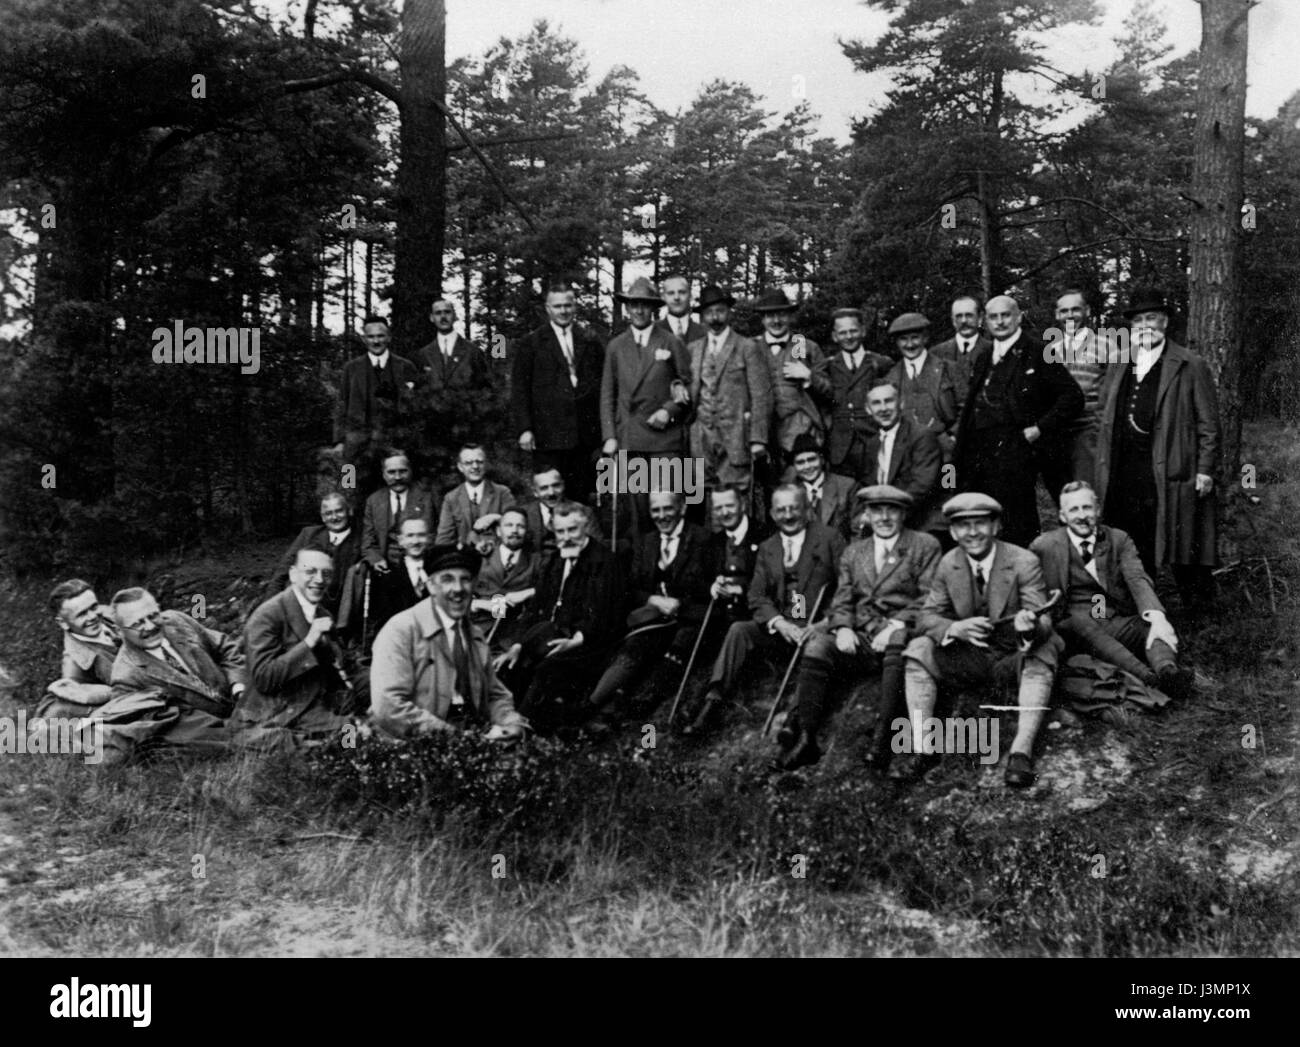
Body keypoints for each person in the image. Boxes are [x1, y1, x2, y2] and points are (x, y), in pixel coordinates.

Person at [898, 493, 1064, 789]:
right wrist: (955, 628)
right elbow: (926, 617)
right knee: (917, 650)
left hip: (1012, 657)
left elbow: (1045, 621)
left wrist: (1029, 627)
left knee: (1046, 648)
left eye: (980, 524)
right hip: (970, 657)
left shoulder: (1023, 561)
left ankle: (1021, 753)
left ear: (996, 526)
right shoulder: (949, 563)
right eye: (963, 526)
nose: (972, 533)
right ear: (952, 532)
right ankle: (923, 748)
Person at [782, 485, 942, 771]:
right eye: (876, 510)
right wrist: (842, 627)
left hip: (901, 635)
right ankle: (806, 738)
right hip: (862, 637)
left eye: (891, 510)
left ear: (903, 513)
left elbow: (930, 598)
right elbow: (842, 600)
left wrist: (895, 623)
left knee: (897, 636)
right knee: (818, 644)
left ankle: (882, 739)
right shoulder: (854, 552)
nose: (883, 517)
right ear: (866, 514)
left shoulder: (924, 545)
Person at [1094, 288, 1219, 609]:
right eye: (1138, 320)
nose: (1145, 325)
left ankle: (1199, 609)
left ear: (1164, 322)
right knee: (1130, 536)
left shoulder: (1190, 364)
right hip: (1124, 467)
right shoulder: (1120, 361)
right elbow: (1103, 410)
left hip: (1171, 465)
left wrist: (1205, 470)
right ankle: (1139, 601)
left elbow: (1208, 423)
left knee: (1184, 538)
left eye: (1151, 318)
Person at [686, 485, 844, 737]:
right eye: (781, 510)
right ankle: (712, 702)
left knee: (816, 651)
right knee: (740, 630)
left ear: (807, 509)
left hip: (816, 627)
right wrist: (780, 623)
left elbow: (847, 589)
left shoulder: (829, 539)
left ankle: (794, 720)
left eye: (794, 508)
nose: (788, 515)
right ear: (772, 514)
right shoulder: (768, 546)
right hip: (784, 627)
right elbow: (756, 596)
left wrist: (825, 623)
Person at [1030, 482, 1193, 697]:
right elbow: (1030, 588)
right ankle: (1149, 679)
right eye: (1074, 509)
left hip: (1111, 619)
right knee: (1078, 623)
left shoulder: (1118, 539)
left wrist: (1156, 617)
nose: (1081, 515)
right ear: (1062, 516)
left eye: (1087, 508)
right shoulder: (1044, 546)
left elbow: (1137, 578)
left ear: (1097, 510)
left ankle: (1168, 671)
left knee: (1150, 625)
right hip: (1072, 629)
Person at [953, 294, 1083, 548]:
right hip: (983, 449)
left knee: (1018, 522)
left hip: (1019, 450)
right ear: (985, 321)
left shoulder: (1039, 351)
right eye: (994, 317)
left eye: (1006, 315)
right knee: (982, 517)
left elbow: (1072, 397)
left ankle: (1025, 576)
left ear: (1019, 317)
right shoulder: (984, 356)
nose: (1000, 322)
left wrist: (1039, 428)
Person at [369, 545, 528, 741]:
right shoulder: (401, 630)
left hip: (470, 737)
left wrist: (510, 723)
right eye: (447, 580)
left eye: (465, 579)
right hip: (412, 744)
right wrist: (454, 736)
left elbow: (495, 695)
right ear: (430, 586)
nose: (458, 589)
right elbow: (389, 706)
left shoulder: (475, 636)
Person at [583, 491, 713, 729]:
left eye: (668, 509)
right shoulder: (646, 542)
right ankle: (593, 707)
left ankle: (643, 704)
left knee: (678, 646)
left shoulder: (703, 539)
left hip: (690, 619)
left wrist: (679, 604)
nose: (662, 516)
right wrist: (654, 599)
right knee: (636, 646)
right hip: (654, 619)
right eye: (656, 510)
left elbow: (709, 591)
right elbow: (632, 589)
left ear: (682, 508)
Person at [496, 502, 624, 729]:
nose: (566, 537)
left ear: (585, 528)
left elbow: (605, 616)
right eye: (560, 532)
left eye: (572, 530)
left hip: (588, 643)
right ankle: (501, 719)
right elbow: (535, 608)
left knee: (549, 668)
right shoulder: (554, 560)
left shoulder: (604, 562)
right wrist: (517, 644)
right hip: (549, 635)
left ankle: (522, 727)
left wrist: (575, 640)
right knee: (509, 663)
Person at [600, 277, 693, 536]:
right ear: (627, 309)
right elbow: (607, 395)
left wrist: (669, 410)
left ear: (653, 308)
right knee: (636, 516)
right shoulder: (616, 346)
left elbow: (689, 386)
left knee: (671, 508)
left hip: (665, 443)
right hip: (630, 442)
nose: (639, 310)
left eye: (644, 305)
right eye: (634, 305)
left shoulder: (671, 342)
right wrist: (609, 436)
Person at [234, 548, 358, 737]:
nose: (319, 580)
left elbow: (338, 667)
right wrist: (309, 642)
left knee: (374, 713)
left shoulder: (322, 614)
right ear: (293, 574)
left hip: (314, 699)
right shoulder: (267, 616)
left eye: (326, 573)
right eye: (310, 572)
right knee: (352, 731)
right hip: (276, 712)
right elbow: (264, 679)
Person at [511, 281, 606, 502]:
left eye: (568, 305)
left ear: (575, 306)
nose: (563, 311)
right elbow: (519, 389)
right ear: (547, 309)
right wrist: (525, 428)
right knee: (550, 493)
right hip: (548, 435)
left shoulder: (590, 340)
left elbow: (602, 385)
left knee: (581, 495)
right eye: (557, 306)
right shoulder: (531, 343)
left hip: (584, 437)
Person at [686, 285, 772, 512]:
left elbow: (761, 395)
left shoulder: (747, 347)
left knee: (736, 500)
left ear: (729, 313)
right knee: (705, 500)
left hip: (736, 437)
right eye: (709, 312)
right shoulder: (693, 349)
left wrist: (758, 439)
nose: (715, 317)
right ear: (702, 316)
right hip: (702, 437)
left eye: (720, 310)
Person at [108, 587, 247, 721]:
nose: (150, 626)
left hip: (245, 705)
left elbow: (225, 647)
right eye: (138, 624)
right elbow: (150, 726)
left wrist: (238, 685)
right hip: (211, 736)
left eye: (153, 616)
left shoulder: (177, 620)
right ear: (119, 631)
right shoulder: (125, 678)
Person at [332, 315, 420, 495]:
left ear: (389, 337)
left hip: (393, 444)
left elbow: (414, 408)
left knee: (395, 490)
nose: (376, 341)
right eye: (371, 337)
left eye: (380, 336)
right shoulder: (351, 368)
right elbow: (342, 404)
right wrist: (339, 440)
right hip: (355, 446)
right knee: (349, 490)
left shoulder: (405, 367)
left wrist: (407, 441)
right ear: (364, 339)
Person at [755, 289, 832, 478]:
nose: (776, 321)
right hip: (763, 429)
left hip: (799, 429)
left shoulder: (802, 345)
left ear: (790, 316)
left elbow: (829, 392)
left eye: (781, 314)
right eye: (770, 316)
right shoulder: (751, 347)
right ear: (762, 319)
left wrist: (809, 377)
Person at [415, 299, 492, 478]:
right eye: (438, 313)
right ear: (431, 318)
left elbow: (486, 391)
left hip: (466, 429)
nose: (443, 316)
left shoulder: (472, 352)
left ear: (455, 316)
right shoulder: (423, 355)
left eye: (447, 312)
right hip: (434, 432)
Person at [1044, 287, 1110, 489]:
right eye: (1064, 311)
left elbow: (1112, 394)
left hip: (1090, 433)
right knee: (1063, 493)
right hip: (1058, 434)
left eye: (1076, 309)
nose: (1070, 316)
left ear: (1087, 311)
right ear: (1057, 315)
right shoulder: (1049, 351)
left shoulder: (1107, 346)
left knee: (1087, 491)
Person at [859, 380, 944, 537]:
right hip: (885, 522)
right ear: (868, 409)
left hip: (918, 522)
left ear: (902, 403)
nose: (883, 408)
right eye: (876, 403)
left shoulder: (921, 436)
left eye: (889, 401)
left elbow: (921, 487)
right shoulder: (872, 443)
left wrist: (888, 516)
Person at [825, 307, 892, 482]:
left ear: (862, 331)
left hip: (873, 443)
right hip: (840, 449)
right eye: (843, 332)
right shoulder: (828, 367)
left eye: (853, 331)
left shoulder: (881, 363)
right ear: (834, 336)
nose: (848, 336)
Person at [271, 492, 360, 616]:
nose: (334, 517)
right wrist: (271, 608)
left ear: (349, 511)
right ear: (322, 517)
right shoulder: (308, 534)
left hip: (343, 610)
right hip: (305, 606)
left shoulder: (361, 540)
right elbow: (282, 572)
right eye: (328, 513)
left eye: (339, 511)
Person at [885, 312, 959, 460]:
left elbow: (967, 408)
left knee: (948, 483)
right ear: (897, 342)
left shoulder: (948, 369)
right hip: (908, 455)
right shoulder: (891, 376)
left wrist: (952, 436)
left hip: (946, 453)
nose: (910, 344)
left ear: (925, 338)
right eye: (903, 339)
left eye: (915, 337)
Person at [470, 507, 538, 650]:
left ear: (526, 532)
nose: (514, 530)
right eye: (509, 525)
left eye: (520, 526)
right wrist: (478, 603)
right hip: (478, 631)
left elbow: (550, 588)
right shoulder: (480, 556)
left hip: (514, 637)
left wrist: (529, 592)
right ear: (498, 531)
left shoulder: (536, 561)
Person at [360, 451, 439, 573]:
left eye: (403, 471)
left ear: (411, 471)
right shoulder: (374, 501)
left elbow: (436, 536)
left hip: (422, 564)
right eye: (391, 472)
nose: (397, 477)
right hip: (386, 568)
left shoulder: (428, 498)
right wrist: (376, 560)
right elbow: (368, 542)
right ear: (383, 475)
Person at [435, 443, 516, 546]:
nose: (475, 466)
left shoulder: (502, 493)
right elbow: (443, 540)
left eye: (479, 462)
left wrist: (495, 517)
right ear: (460, 467)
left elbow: (516, 524)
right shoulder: (451, 498)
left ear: (486, 464)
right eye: (468, 463)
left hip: (495, 557)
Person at [782, 433, 859, 540]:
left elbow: (857, 530)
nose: (807, 466)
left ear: (822, 460)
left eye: (812, 459)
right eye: (800, 462)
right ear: (794, 467)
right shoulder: (788, 492)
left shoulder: (846, 486)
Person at [519, 465, 603, 556]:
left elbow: (597, 549)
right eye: (544, 488)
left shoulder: (584, 512)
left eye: (556, 485)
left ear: (563, 485)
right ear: (535, 492)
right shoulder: (523, 514)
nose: (551, 493)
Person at [369, 517, 434, 632]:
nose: (416, 541)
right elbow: (383, 623)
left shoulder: (437, 573)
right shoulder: (389, 578)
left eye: (421, 535)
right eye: (410, 535)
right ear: (400, 540)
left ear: (429, 538)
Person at [931, 294, 990, 410]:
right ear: (953, 320)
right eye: (959, 316)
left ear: (980, 318)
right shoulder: (936, 353)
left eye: (969, 315)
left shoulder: (993, 350)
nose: (964, 321)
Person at [656, 273, 707, 345]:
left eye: (682, 292)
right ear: (663, 297)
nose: (676, 297)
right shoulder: (653, 330)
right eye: (671, 293)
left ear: (690, 295)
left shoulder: (705, 332)